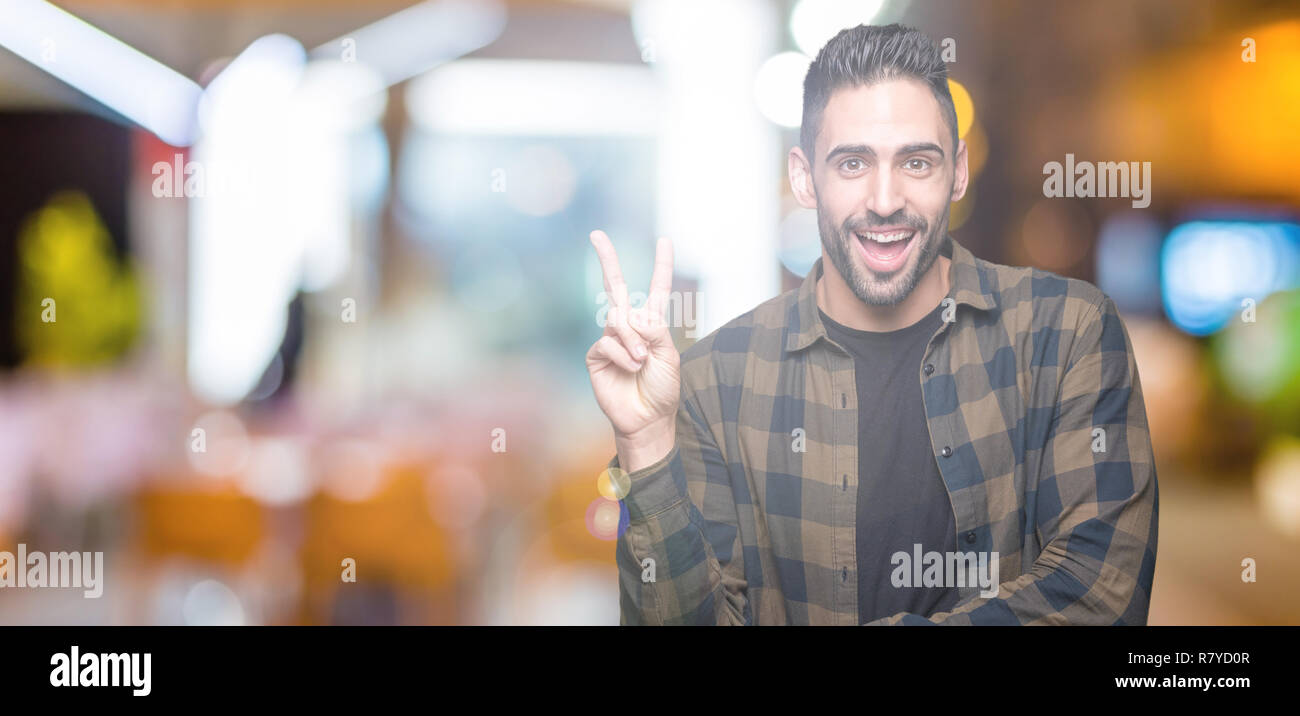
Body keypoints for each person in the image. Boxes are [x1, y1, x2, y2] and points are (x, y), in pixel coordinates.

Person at [585, 23, 1158, 625]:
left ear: (957, 172)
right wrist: (646, 444)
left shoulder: (1067, 334)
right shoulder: (712, 384)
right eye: (853, 163)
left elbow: (1101, 597)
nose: (885, 199)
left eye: (915, 161)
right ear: (806, 178)